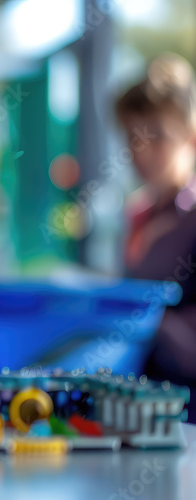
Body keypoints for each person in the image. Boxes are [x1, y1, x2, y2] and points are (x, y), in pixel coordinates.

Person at [116, 53, 196, 389]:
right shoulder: (137, 215)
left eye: (158, 136)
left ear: (191, 137)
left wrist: (139, 317)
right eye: (133, 137)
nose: (142, 151)